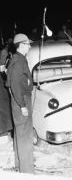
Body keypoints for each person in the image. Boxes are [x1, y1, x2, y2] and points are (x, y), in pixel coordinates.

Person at [6, 34, 34, 173]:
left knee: (20, 133)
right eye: (28, 44)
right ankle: (28, 172)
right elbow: (15, 85)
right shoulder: (19, 61)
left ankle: (20, 166)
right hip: (21, 100)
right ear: (21, 45)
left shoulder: (18, 59)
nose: (30, 46)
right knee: (26, 135)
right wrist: (22, 106)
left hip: (20, 99)